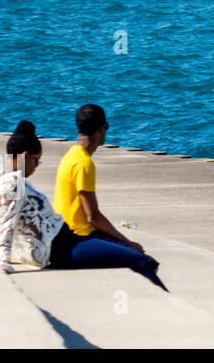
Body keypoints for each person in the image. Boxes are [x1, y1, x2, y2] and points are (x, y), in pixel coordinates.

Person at [49, 104, 168, 290]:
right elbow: (93, 217)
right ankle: (165, 304)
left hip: (65, 234)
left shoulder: (71, 155)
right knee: (142, 260)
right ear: (101, 130)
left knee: (132, 253)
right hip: (77, 237)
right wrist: (127, 241)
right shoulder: (83, 163)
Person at [0, 121, 64, 272]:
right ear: (25, 156)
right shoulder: (14, 184)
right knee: (123, 253)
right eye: (36, 160)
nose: (36, 166)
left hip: (53, 243)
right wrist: (1, 260)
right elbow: (7, 224)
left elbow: (1, 220)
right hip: (61, 247)